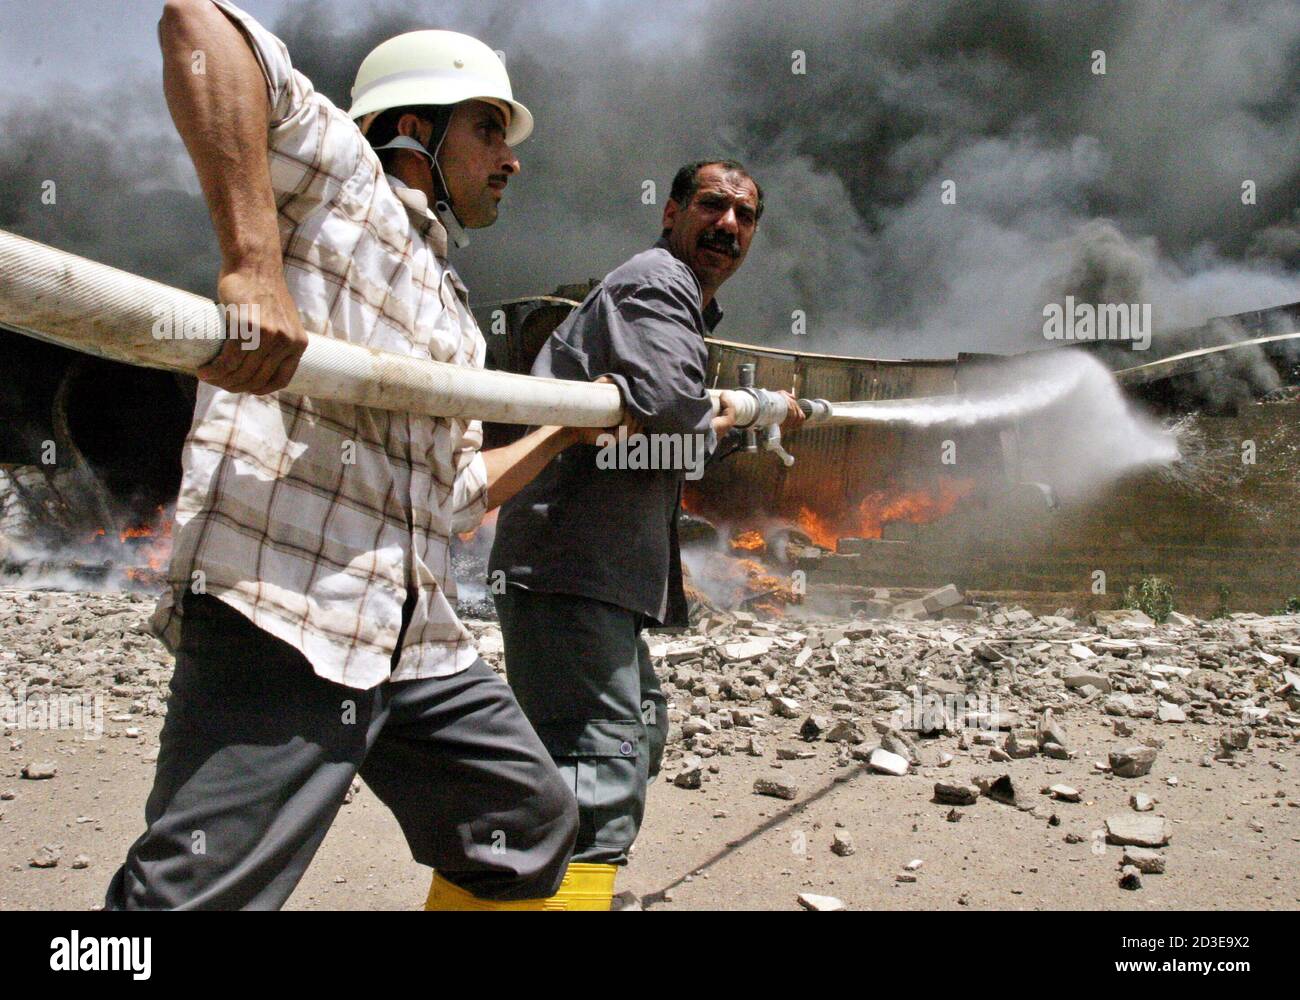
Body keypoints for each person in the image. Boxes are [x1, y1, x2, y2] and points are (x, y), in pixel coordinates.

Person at [107, 0, 587, 910]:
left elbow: (455, 497)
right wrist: (253, 265)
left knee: (526, 820)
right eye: (488, 129)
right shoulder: (338, 174)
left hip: (413, 640)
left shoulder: (453, 313)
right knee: (193, 899)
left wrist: (562, 432)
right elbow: (200, 25)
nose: (512, 158)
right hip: (290, 607)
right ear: (415, 129)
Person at [488, 159, 804, 907]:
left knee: (636, 732)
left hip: (595, 577)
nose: (728, 225)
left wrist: (732, 418)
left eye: (745, 216)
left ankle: (521, 877)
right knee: (600, 770)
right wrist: (748, 413)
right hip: (572, 570)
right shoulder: (658, 284)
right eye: (712, 205)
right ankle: (552, 887)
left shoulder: (675, 299)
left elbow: (667, 430)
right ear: (671, 212)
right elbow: (672, 418)